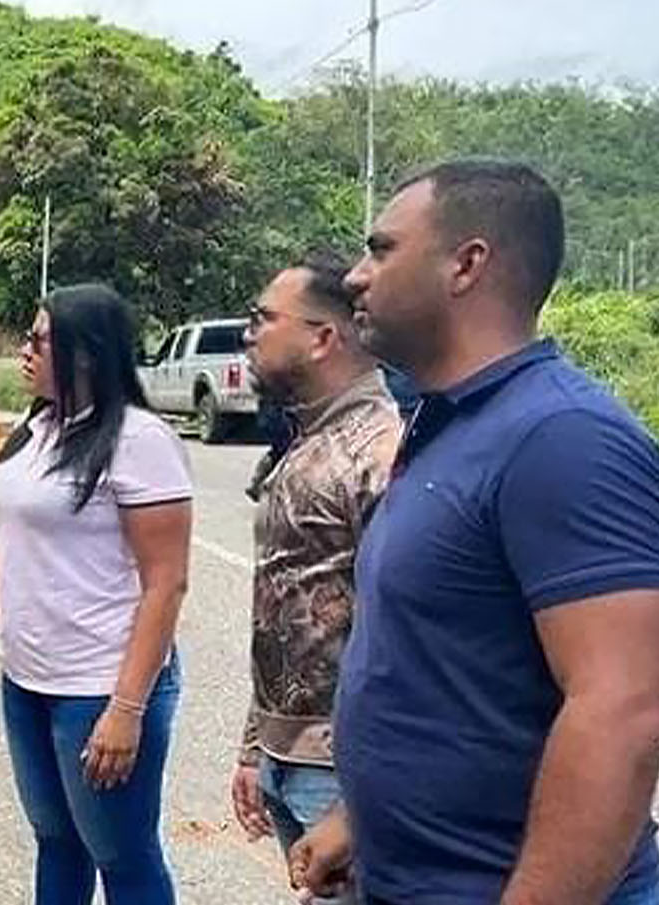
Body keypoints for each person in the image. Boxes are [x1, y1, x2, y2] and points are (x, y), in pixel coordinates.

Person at [291, 160, 659, 905]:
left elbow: (624, 709)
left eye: (382, 249)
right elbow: (445, 664)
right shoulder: (449, 423)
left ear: (467, 264)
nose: (357, 276)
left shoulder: (561, 435)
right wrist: (360, 817)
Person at [0, 284, 192, 905]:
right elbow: (4, 549)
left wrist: (126, 710)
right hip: (27, 683)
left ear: (87, 353)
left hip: (99, 688)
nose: (24, 350)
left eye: (39, 339)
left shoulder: (140, 440)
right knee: (57, 842)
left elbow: (166, 583)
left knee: (123, 857)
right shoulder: (38, 427)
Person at [231, 252, 402, 904]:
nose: (250, 333)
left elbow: (400, 638)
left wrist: (360, 802)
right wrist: (255, 748)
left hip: (341, 772)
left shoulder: (378, 450)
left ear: (324, 337)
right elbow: (280, 607)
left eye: (264, 319)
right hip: (288, 759)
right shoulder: (305, 441)